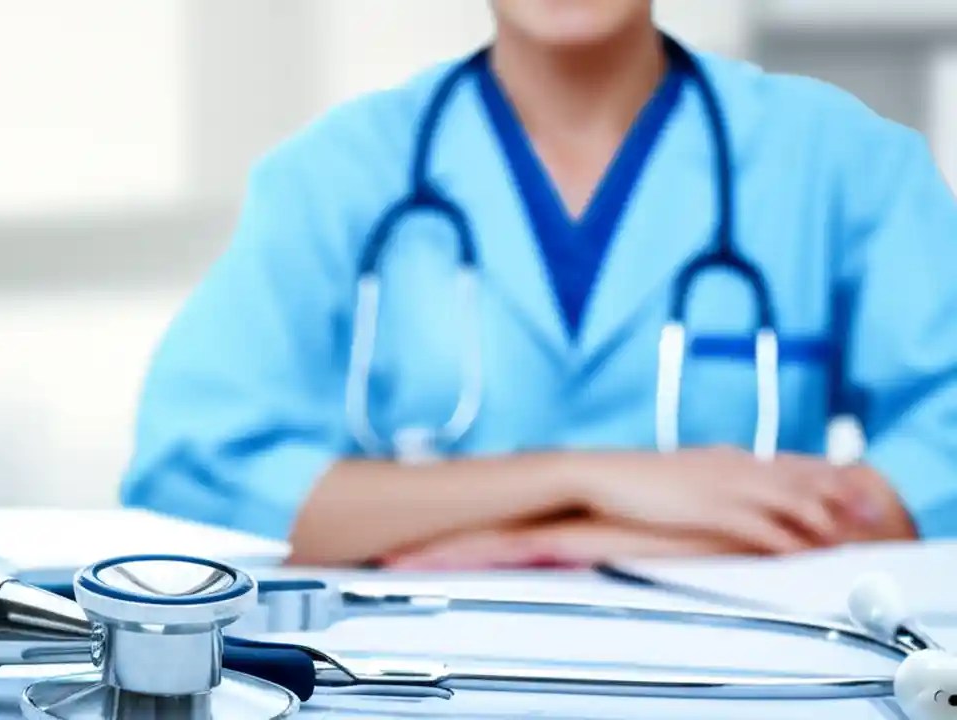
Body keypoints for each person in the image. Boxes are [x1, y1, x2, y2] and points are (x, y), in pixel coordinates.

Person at [121, 0, 957, 568]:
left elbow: (944, 451)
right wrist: (584, 478)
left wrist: (581, 541)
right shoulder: (334, 174)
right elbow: (196, 477)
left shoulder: (844, 160)